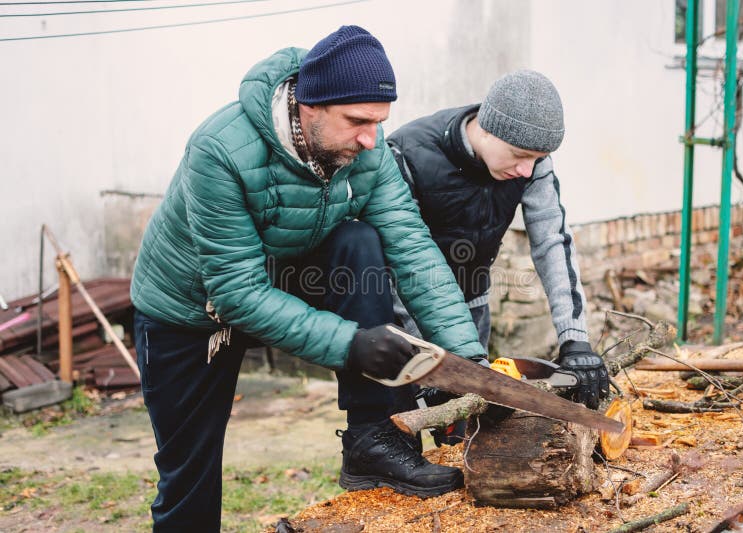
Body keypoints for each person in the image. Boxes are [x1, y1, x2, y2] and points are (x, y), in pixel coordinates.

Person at [130, 25, 486, 531]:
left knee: (359, 241)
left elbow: (412, 247)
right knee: (189, 473)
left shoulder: (367, 151)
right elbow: (236, 291)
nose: (371, 138)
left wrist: (466, 361)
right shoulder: (220, 150)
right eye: (358, 121)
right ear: (309, 106)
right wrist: (353, 345)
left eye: (379, 122)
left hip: (279, 278)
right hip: (191, 312)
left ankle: (370, 438)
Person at [387, 70, 610, 413]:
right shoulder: (408, 153)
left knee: (467, 424)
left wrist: (574, 338)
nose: (526, 170)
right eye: (519, 155)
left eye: (536, 159)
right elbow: (400, 254)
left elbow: (553, 242)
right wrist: (432, 354)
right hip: (403, 313)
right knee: (405, 424)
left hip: (473, 303)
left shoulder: (532, 163)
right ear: (487, 127)